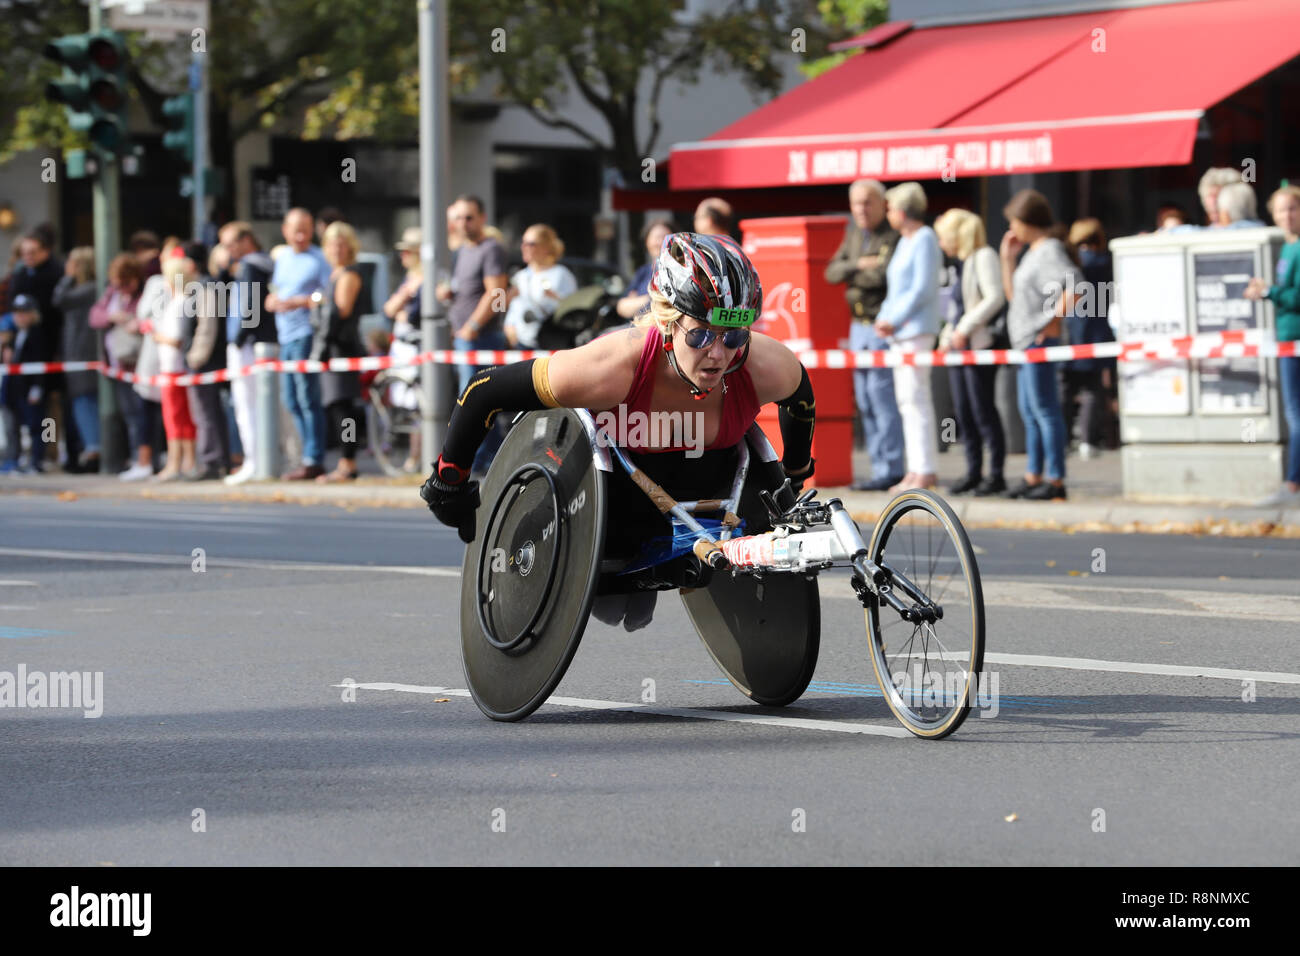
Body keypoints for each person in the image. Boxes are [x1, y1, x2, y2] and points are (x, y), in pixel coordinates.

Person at [419, 232, 816, 632]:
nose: (718, 353)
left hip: (709, 496)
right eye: (699, 335)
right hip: (611, 505)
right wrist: (448, 480)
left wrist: (794, 478)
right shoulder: (614, 366)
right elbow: (482, 391)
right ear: (667, 319)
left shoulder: (764, 365)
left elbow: (801, 401)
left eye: (733, 335)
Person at [824, 178, 904, 491]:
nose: (860, 209)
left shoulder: (893, 235)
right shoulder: (854, 233)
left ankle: (891, 467)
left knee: (883, 398)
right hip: (856, 326)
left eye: (867, 202)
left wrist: (854, 272)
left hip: (881, 324)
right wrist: (858, 264)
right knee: (866, 401)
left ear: (881, 204)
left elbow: (884, 276)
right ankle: (877, 467)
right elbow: (831, 272)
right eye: (856, 203)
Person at [999, 189, 1076, 500]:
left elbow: (1076, 285)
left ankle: (1055, 479)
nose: (1012, 230)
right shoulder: (1033, 251)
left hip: (1037, 340)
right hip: (1025, 340)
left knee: (1044, 409)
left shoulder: (1048, 251)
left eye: (1015, 222)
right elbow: (1013, 298)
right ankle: (1034, 475)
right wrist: (1008, 260)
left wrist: (1052, 322)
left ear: (1029, 221)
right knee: (1030, 410)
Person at [934, 209, 1007, 495]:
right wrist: (947, 336)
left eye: (944, 237)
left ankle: (996, 474)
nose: (941, 244)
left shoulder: (983, 256)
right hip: (959, 349)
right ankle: (974, 471)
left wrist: (964, 328)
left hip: (978, 346)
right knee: (964, 412)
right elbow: (955, 309)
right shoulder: (960, 263)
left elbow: (994, 297)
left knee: (983, 410)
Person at [874, 182, 941, 493]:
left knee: (916, 398)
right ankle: (916, 468)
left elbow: (922, 288)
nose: (888, 214)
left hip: (915, 329)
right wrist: (884, 319)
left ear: (901, 211)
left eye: (889, 208)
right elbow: (897, 289)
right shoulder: (905, 241)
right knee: (907, 400)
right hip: (900, 331)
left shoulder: (925, 238)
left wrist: (893, 320)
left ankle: (924, 469)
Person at [266, 207, 332, 480]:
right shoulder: (281, 258)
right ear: (286, 231)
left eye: (306, 228)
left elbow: (327, 296)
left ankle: (313, 457)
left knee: (307, 397)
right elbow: (275, 291)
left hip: (307, 332)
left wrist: (302, 301)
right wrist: (271, 302)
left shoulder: (319, 259)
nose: (301, 234)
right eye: (296, 229)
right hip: (285, 336)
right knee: (291, 399)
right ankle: (304, 454)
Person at [1245, 184, 1300, 508]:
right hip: (1287, 339)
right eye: (1281, 210)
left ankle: (1292, 482)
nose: (1287, 216)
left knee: (1295, 414)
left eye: (1292, 208)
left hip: (1295, 340)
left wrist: (1269, 293)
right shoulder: (1289, 247)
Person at [447, 195, 509, 474]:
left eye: (469, 217)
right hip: (466, 337)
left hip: (480, 338)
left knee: (474, 401)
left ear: (482, 218)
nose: (463, 223)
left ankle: (478, 460)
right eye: (459, 217)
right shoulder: (463, 250)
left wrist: (472, 326)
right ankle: (492, 458)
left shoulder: (490, 248)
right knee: (480, 400)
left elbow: (497, 293)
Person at [219, 221, 276, 485]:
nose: (227, 250)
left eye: (230, 244)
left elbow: (250, 306)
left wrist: (239, 337)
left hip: (248, 345)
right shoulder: (260, 263)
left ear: (246, 240)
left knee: (247, 407)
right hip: (257, 343)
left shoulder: (251, 266)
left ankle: (254, 461)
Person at [88, 253, 152, 480]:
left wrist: (137, 322)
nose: (122, 288)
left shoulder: (147, 292)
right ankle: (135, 459)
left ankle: (144, 460)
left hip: (138, 363)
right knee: (128, 415)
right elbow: (94, 316)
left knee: (141, 414)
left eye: (125, 283)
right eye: (118, 284)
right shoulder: (112, 293)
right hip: (116, 363)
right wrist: (112, 316)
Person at [317, 221, 367, 482]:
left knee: (342, 407)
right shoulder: (335, 273)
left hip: (342, 347)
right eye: (332, 243)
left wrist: (319, 307)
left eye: (341, 243)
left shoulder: (348, 274)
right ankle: (346, 461)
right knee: (337, 405)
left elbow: (341, 311)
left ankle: (347, 462)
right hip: (334, 346)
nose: (336, 248)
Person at [1063, 218, 1116, 460]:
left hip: (1071, 334)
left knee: (1065, 388)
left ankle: (1063, 440)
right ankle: (1087, 440)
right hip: (1096, 334)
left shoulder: (1069, 265)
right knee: (1093, 389)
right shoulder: (1106, 263)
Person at [182, 241, 230, 480]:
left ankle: (213, 461)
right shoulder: (203, 285)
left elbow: (207, 326)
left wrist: (195, 358)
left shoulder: (205, 287)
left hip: (204, 362)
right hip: (208, 360)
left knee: (205, 413)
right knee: (210, 412)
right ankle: (219, 459)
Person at [151, 248, 200, 481]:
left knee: (176, 418)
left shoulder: (179, 303)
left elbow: (177, 339)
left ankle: (177, 463)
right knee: (180, 418)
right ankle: (185, 462)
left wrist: (157, 336)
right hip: (173, 368)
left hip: (174, 368)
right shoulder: (183, 301)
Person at [52, 247, 101, 472]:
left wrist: (66, 279)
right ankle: (88, 448)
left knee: (85, 403)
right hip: (74, 353)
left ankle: (94, 450)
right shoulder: (84, 289)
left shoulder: (89, 289)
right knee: (80, 404)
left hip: (83, 354)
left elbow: (59, 299)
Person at [383, 226, 425, 472]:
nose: (403, 257)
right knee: (409, 406)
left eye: (407, 252)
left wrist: (401, 308)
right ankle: (413, 454)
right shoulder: (411, 278)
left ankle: (416, 456)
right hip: (403, 346)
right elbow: (390, 309)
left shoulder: (420, 279)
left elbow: (397, 310)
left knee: (417, 404)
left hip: (414, 347)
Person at [503, 223, 577, 348]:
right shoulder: (520, 276)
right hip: (522, 342)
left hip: (550, 342)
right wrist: (509, 325)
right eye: (523, 243)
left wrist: (557, 299)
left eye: (531, 244)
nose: (524, 247)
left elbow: (572, 311)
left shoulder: (561, 274)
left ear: (546, 247)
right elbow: (512, 308)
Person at [0, 295, 50, 474]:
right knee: (15, 426)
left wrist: (38, 388)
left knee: (42, 424)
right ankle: (17, 459)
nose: (20, 317)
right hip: (15, 388)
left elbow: (41, 362)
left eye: (24, 313)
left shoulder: (38, 333)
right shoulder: (15, 335)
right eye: (17, 313)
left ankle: (38, 460)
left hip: (30, 388)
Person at [616, 218, 674, 320]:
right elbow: (621, 307)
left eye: (664, 238)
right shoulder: (643, 272)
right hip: (639, 329)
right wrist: (652, 299)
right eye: (656, 237)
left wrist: (638, 301)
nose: (660, 242)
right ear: (647, 242)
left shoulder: (682, 272)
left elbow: (669, 305)